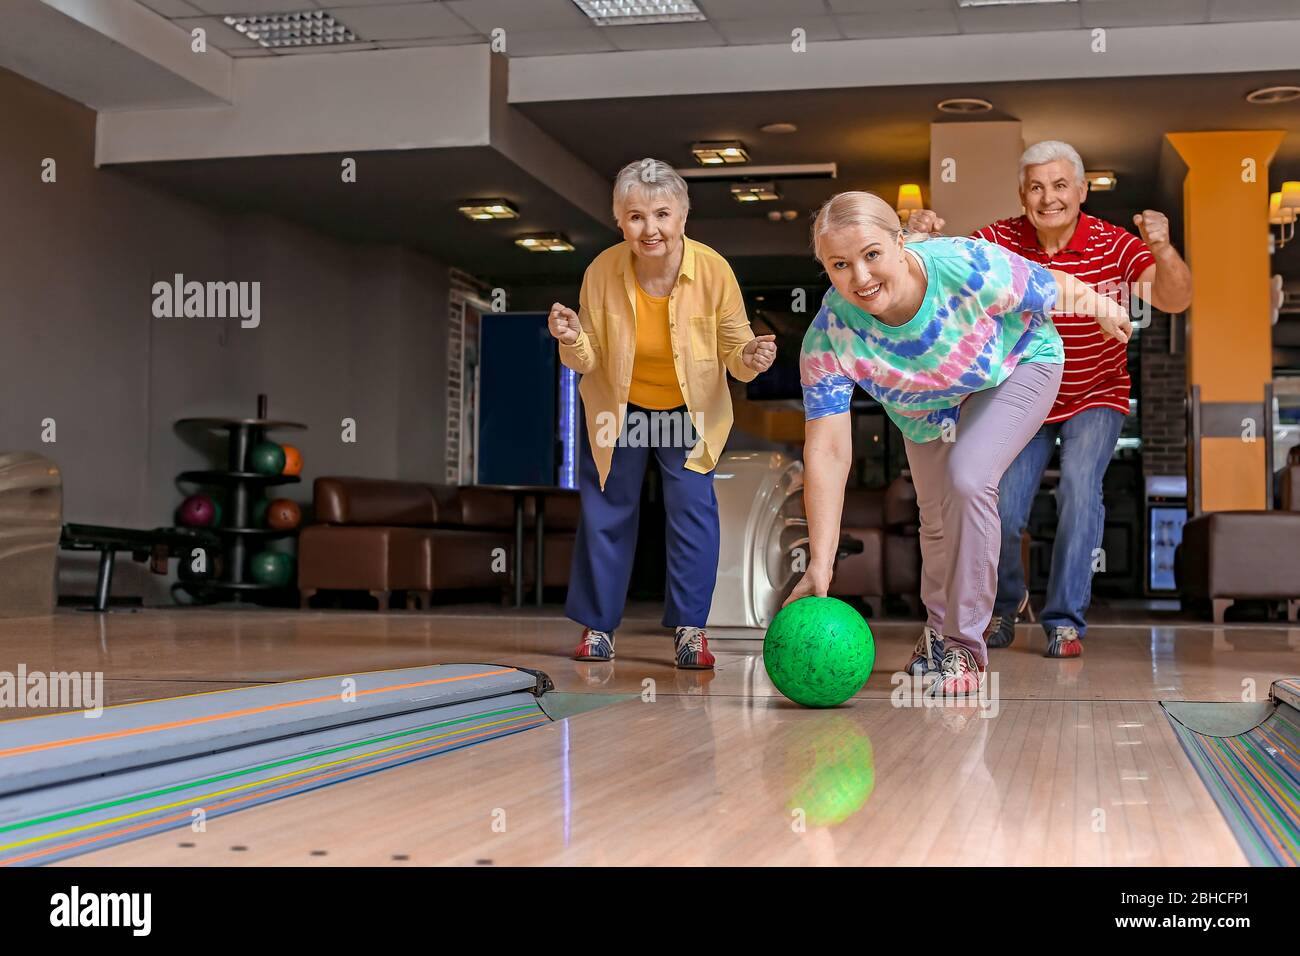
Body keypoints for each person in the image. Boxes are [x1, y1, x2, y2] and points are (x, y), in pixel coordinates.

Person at [786, 191, 1132, 696]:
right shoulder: (829, 336)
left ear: (899, 243)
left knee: (969, 478)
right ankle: (937, 633)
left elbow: (1047, 286)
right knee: (936, 517)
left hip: (1015, 366)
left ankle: (965, 648)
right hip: (925, 408)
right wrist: (820, 564)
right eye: (840, 264)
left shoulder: (961, 264)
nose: (860, 277)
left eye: (872, 255)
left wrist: (1100, 305)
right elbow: (828, 452)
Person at [908, 140, 1192, 657]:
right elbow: (949, 275)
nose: (1049, 198)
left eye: (1060, 185)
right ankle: (1004, 605)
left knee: (1080, 492)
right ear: (1023, 194)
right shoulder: (998, 238)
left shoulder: (1114, 243)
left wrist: (1164, 248)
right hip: (1020, 391)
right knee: (1004, 505)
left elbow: (1175, 298)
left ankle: (1063, 619)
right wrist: (917, 243)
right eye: (1036, 187)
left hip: (1095, 392)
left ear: (1081, 191)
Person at [548, 158, 776, 669]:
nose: (649, 229)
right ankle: (598, 628)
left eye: (661, 214)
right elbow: (588, 357)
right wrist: (570, 338)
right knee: (608, 509)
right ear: (619, 220)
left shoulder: (714, 270)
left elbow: (736, 353)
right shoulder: (601, 271)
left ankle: (691, 630)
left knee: (693, 510)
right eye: (635, 217)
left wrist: (750, 358)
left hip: (688, 409)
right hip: (620, 407)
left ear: (683, 216)